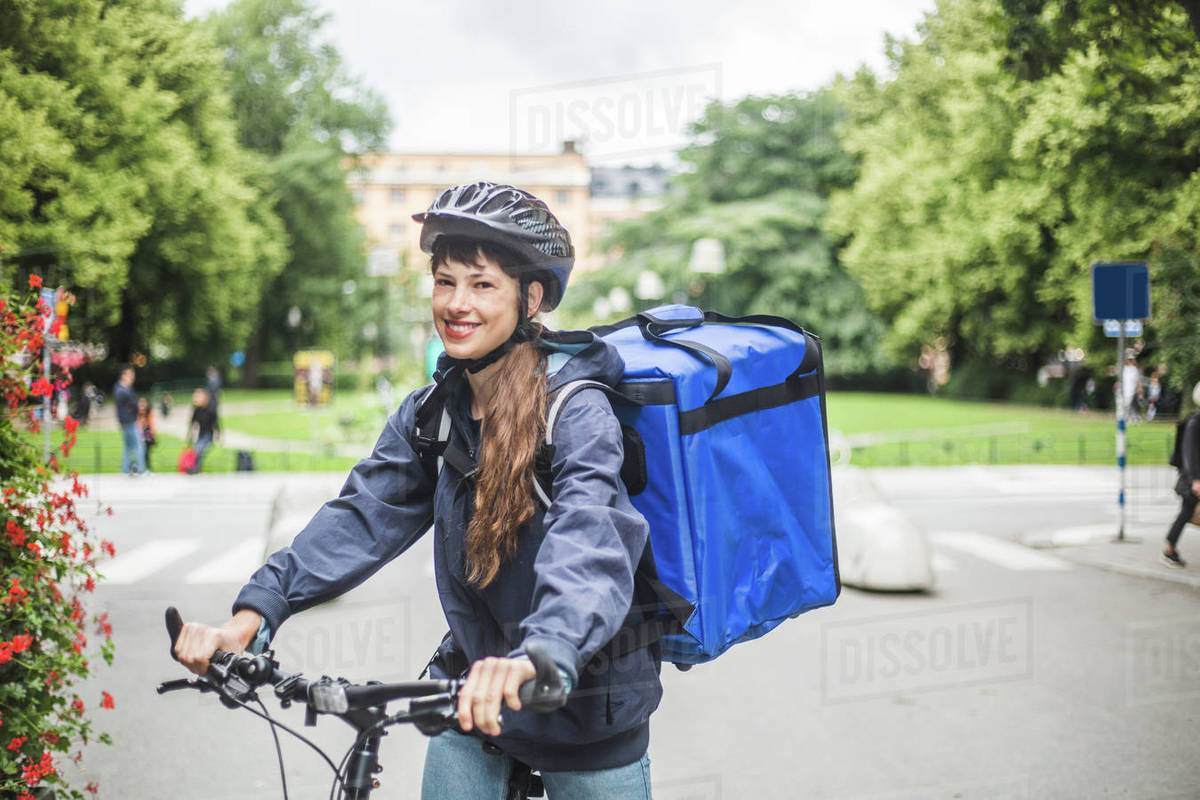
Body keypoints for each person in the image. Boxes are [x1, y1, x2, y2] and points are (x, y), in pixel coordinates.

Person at [173, 182, 658, 798]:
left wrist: (546, 650)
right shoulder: (434, 414)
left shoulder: (576, 411)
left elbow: (591, 539)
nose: (457, 303)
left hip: (582, 703)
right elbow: (359, 517)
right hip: (470, 691)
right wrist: (251, 618)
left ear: (530, 298)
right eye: (445, 281)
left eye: (482, 285)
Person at [1163, 381, 1200, 568]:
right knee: (1186, 512)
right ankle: (1169, 548)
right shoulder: (1195, 422)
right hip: (1193, 479)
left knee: (1186, 513)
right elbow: (1190, 453)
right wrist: (1195, 480)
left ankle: (1170, 548)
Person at [113, 365, 147, 476]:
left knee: (128, 447)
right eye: (130, 374)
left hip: (128, 421)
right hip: (128, 422)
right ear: (123, 375)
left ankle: (126, 470)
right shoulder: (121, 390)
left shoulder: (125, 389)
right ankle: (141, 470)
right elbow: (131, 405)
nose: (132, 377)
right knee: (139, 445)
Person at [187, 388, 220, 474]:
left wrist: (218, 437)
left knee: (199, 449)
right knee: (196, 450)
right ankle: (196, 468)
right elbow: (192, 423)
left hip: (208, 435)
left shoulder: (210, 410)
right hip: (201, 435)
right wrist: (189, 435)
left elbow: (216, 424)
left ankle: (195, 468)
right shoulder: (197, 410)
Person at [137, 397, 157, 472]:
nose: (142, 405)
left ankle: (148, 468)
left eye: (143, 403)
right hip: (139, 434)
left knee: (146, 453)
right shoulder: (137, 414)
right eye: (140, 403)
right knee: (140, 452)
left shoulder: (148, 413)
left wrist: (153, 434)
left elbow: (151, 425)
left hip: (147, 434)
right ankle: (141, 468)